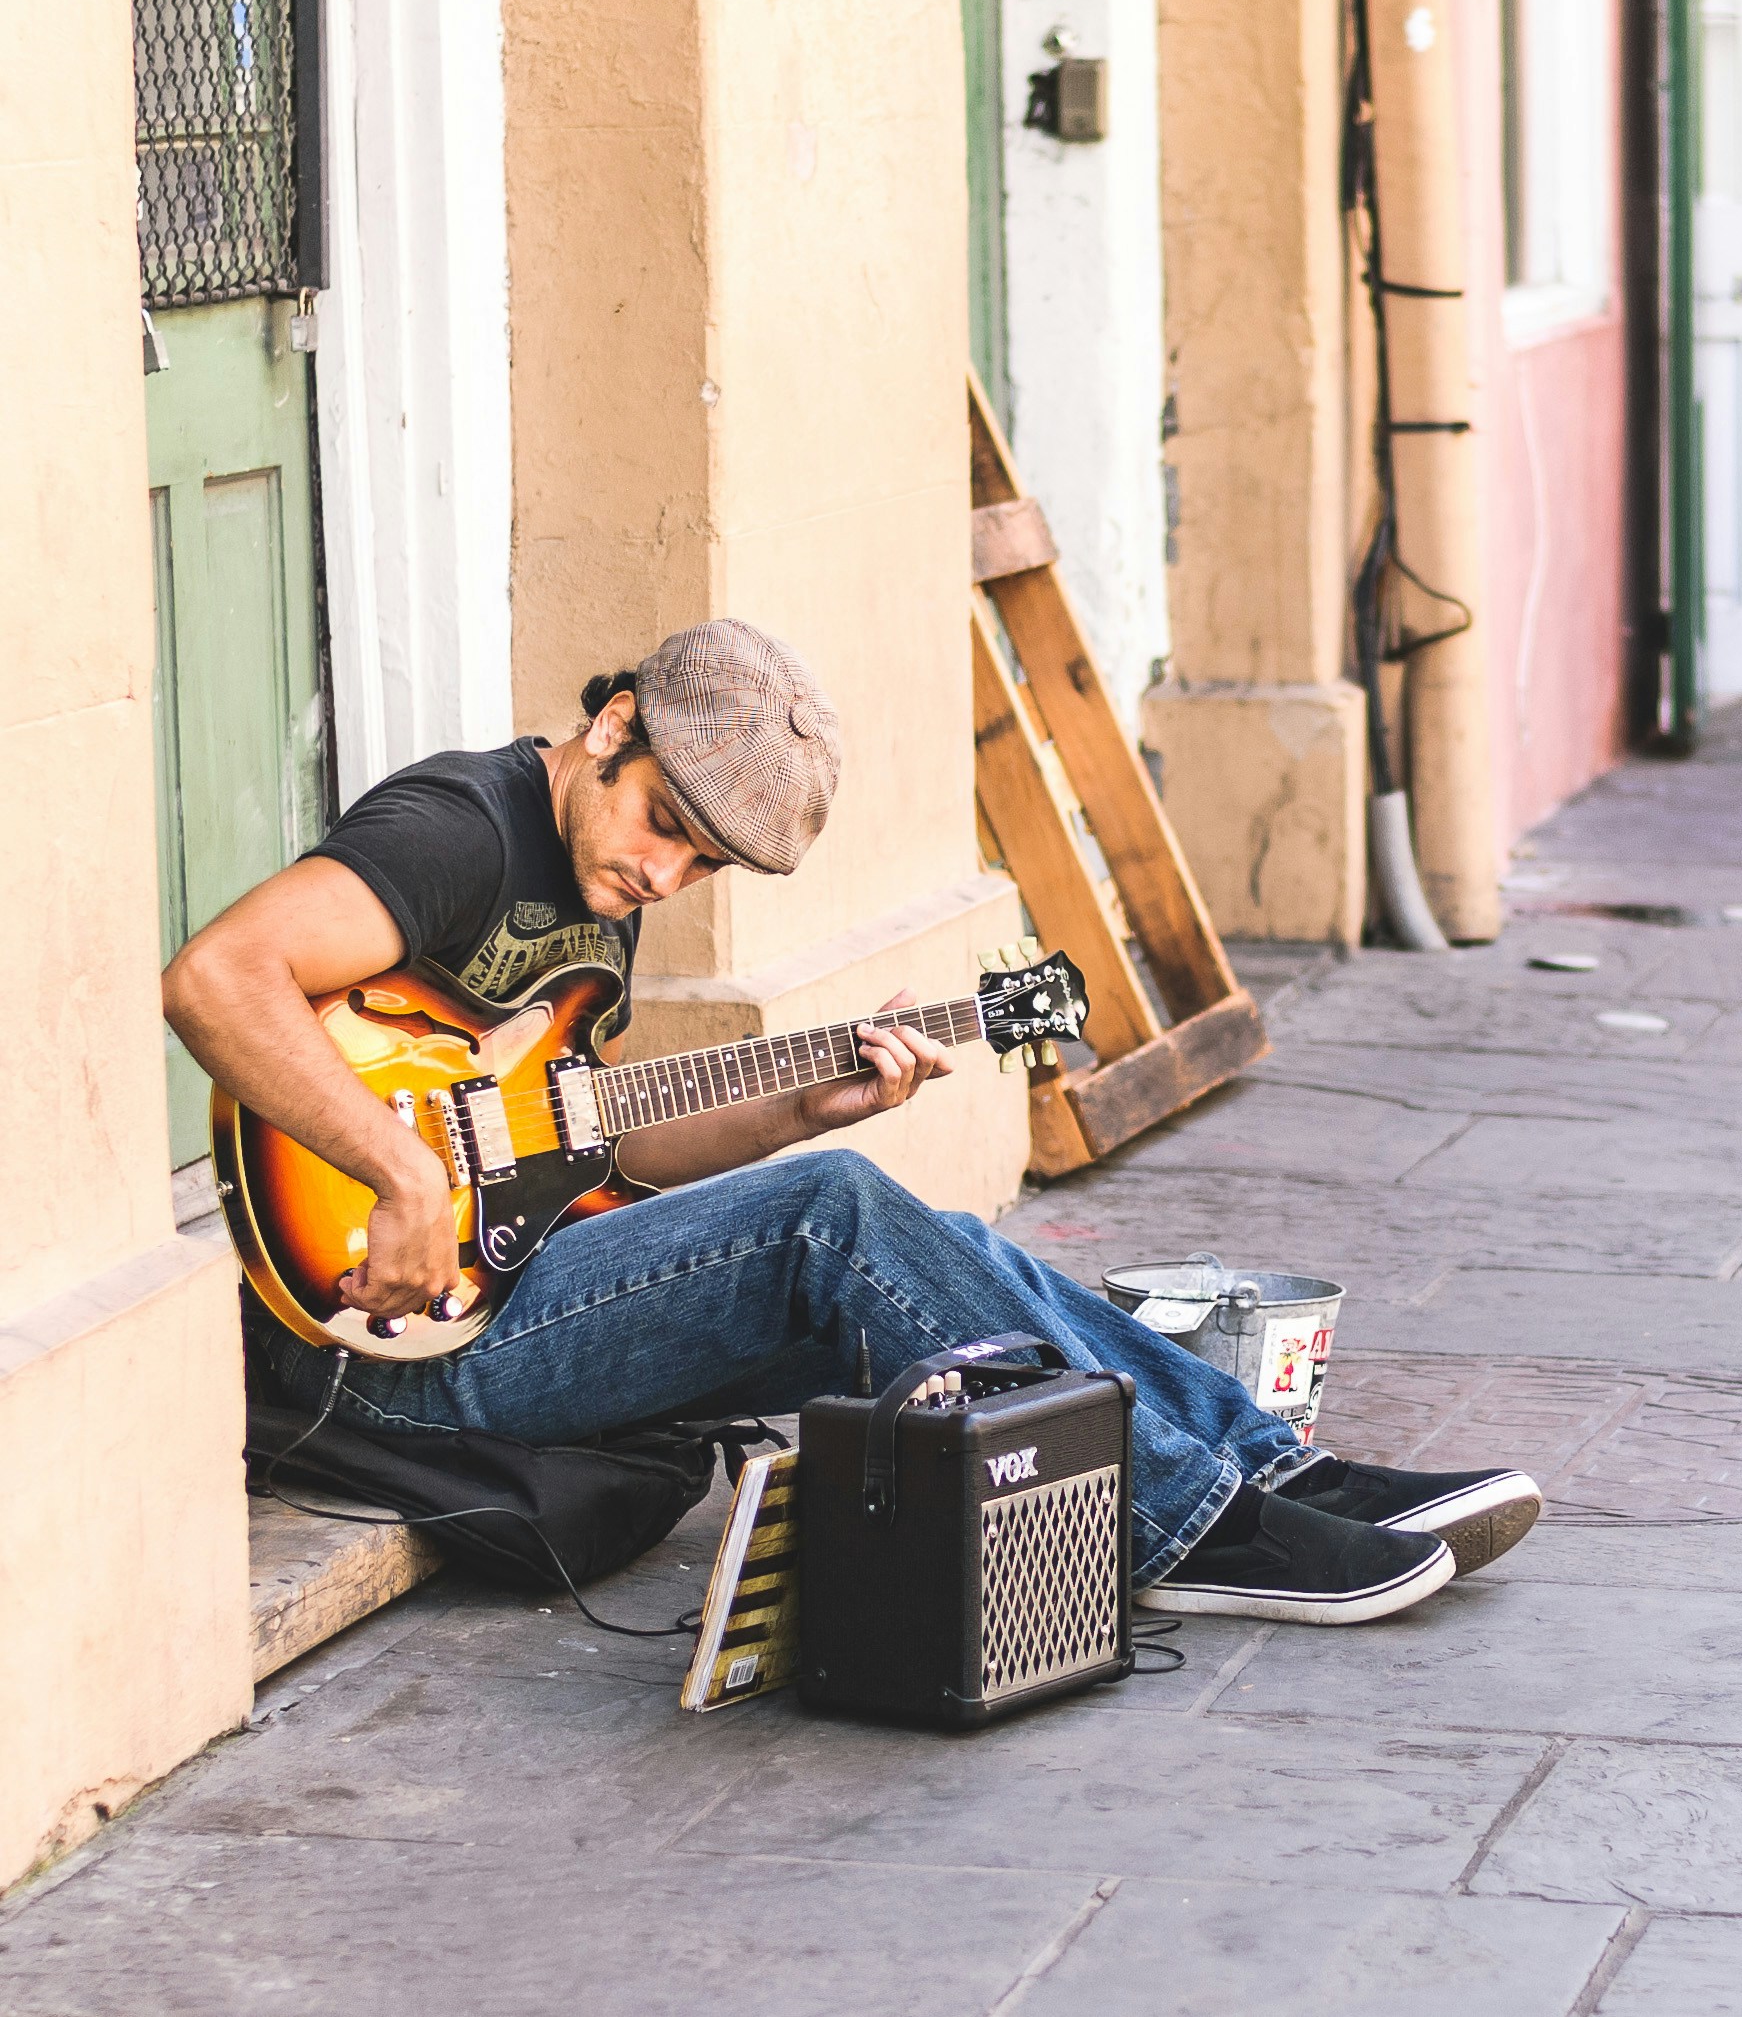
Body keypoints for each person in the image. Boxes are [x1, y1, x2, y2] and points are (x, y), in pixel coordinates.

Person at [164, 619, 1541, 1624]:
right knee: (840, 1215)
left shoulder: (596, 889)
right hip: (390, 1342)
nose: (662, 871)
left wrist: (792, 1106)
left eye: (700, 860)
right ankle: (1197, 1525)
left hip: (517, 1280)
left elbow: (602, 1149)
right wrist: (399, 1169)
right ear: (610, 724)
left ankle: (1275, 1467)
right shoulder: (460, 829)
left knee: (928, 1245)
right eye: (662, 825)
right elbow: (216, 977)